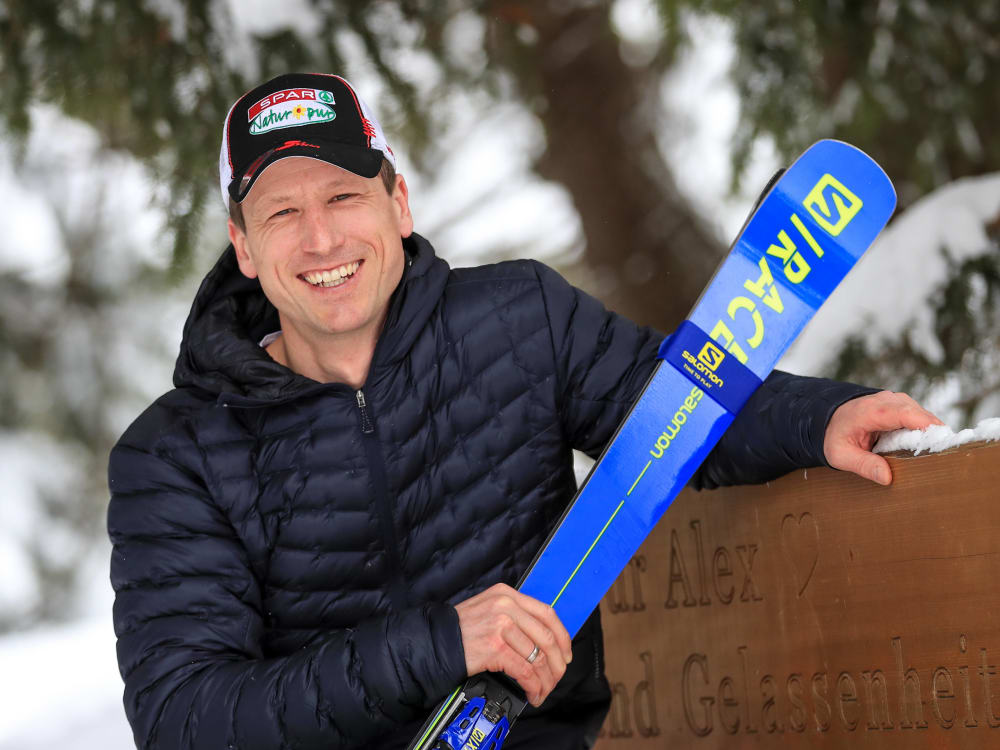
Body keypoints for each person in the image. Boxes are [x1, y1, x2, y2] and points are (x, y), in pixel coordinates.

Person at [107, 72, 942, 750]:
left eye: (343, 197)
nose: (321, 240)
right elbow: (184, 716)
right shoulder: (175, 454)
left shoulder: (519, 321)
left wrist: (815, 418)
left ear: (398, 205)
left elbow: (670, 406)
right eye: (282, 213)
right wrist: (442, 644)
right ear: (244, 248)